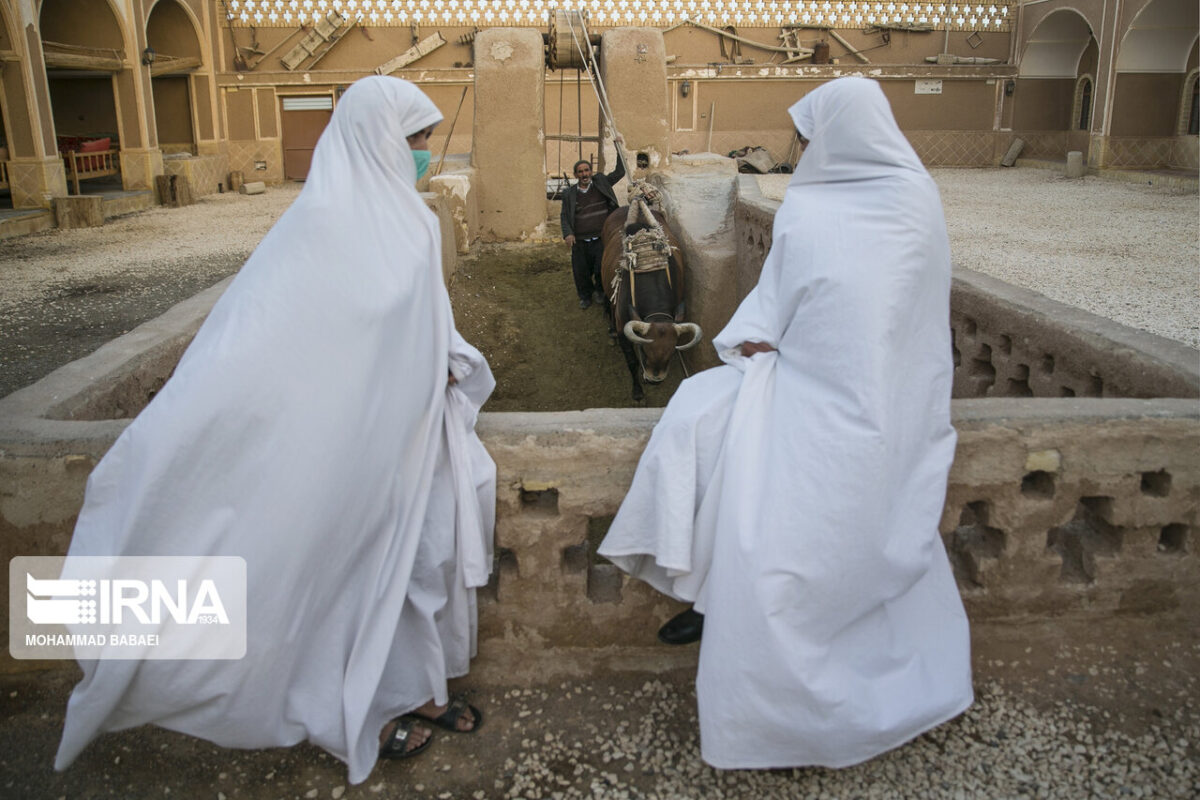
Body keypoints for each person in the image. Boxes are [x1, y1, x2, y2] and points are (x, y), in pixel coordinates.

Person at [54, 76, 495, 784]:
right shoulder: (318, 230)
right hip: (337, 453)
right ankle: (355, 712)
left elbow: (417, 329)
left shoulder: (409, 223)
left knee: (419, 567)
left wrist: (442, 367)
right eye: (412, 139)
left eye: (423, 139)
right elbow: (264, 343)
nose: (421, 153)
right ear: (372, 140)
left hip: (409, 447)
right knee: (339, 583)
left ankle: (415, 689)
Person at [597, 77, 973, 769]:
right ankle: (712, 597)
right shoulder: (880, 199)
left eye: (803, 136)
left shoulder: (857, 204)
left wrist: (768, 345)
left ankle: (750, 650)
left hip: (852, 399)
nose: (796, 148)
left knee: (723, 442)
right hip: (857, 391)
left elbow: (819, 316)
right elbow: (828, 305)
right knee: (702, 419)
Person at [560, 144, 625, 309]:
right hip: (580, 240)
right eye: (580, 172)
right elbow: (564, 216)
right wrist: (568, 233)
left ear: (591, 171)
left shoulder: (601, 182)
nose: (584, 174)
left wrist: (619, 149)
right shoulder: (569, 194)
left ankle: (600, 292)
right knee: (581, 272)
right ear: (576, 175)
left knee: (599, 268)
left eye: (587, 170)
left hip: (601, 237)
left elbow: (620, 172)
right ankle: (585, 297)